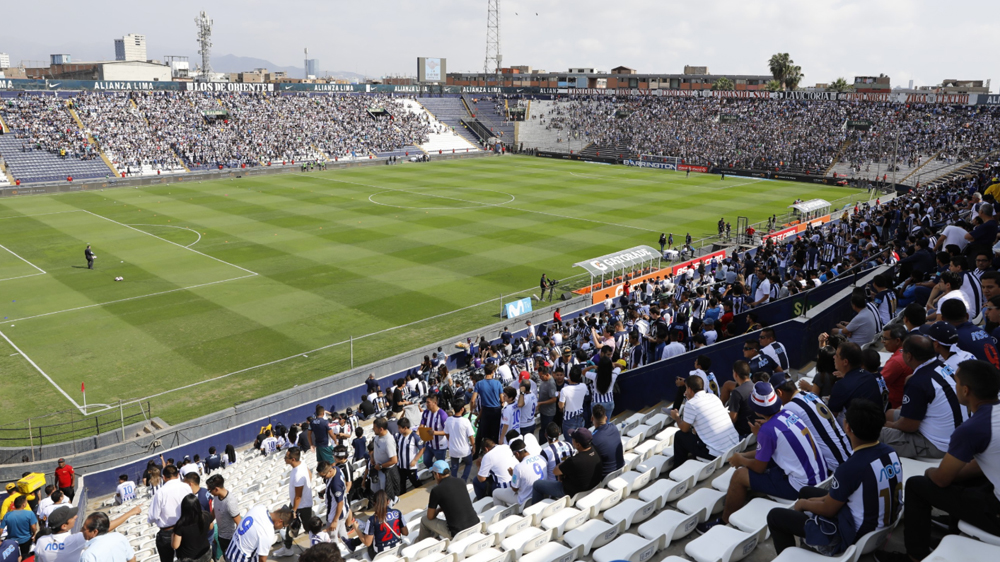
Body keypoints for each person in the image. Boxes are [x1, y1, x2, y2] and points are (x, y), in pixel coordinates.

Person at [876, 360, 1000, 562]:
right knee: (965, 476)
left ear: (966, 390)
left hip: (996, 514)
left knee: (917, 485)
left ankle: (915, 556)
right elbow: (981, 464)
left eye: (956, 381)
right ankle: (953, 526)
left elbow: (941, 479)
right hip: (993, 491)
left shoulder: (973, 429)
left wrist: (930, 472)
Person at [768, 400, 902, 556]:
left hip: (854, 537)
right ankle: (809, 546)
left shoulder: (850, 468)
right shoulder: (891, 453)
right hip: (881, 529)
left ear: (847, 427)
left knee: (775, 516)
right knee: (806, 492)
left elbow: (829, 510)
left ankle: (790, 557)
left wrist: (803, 504)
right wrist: (809, 501)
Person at [701, 382, 828, 533]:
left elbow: (759, 467)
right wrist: (746, 451)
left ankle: (724, 521)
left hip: (801, 488)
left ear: (755, 409)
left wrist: (741, 460)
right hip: (821, 480)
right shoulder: (788, 415)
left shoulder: (768, 431)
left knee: (739, 475)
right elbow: (770, 450)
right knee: (762, 463)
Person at [881, 335, 966, 459]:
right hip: (954, 434)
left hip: (938, 445)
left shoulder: (917, 382)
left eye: (902, 351)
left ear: (909, 356)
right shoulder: (943, 367)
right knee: (889, 413)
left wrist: (887, 425)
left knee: (871, 433)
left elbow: (909, 426)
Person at [773, 373, 852, 472]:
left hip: (833, 466)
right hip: (849, 453)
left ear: (779, 393)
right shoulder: (811, 395)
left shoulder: (789, 408)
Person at [669, 376, 740, 471]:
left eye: (686, 388)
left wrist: (676, 417)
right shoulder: (713, 397)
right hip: (735, 446)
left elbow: (684, 429)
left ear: (689, 389)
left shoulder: (691, 404)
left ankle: (677, 469)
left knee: (679, 436)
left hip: (718, 454)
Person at [531, 428, 603, 503]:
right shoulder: (596, 450)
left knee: (537, 485)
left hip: (572, 493)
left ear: (578, 444)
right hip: (592, 488)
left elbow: (555, 471)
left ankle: (534, 511)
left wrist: (565, 465)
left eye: (573, 439)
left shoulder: (574, 461)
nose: (571, 440)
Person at [418, 461, 479, 541]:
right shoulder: (461, 481)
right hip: (476, 525)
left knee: (424, 520)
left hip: (457, 532)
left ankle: (421, 544)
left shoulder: (436, 491)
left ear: (437, 474)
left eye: (434, 474)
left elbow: (430, 516)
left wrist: (438, 510)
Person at [273, 447, 313, 557]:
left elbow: (299, 496)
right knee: (288, 523)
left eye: (286, 457)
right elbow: (310, 474)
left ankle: (316, 548)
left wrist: (293, 510)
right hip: (298, 502)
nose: (285, 459)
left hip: (302, 505)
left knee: (309, 527)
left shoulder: (298, 474)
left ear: (293, 459)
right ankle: (287, 548)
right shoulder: (302, 464)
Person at [828, 342, 883, 418]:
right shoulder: (869, 376)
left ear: (845, 362)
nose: (834, 357)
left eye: (837, 355)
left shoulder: (841, 386)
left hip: (858, 428)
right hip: (877, 423)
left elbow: (831, 417)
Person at [148, 465, 191, 562]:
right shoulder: (186, 487)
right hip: (186, 528)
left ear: (163, 477)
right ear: (178, 475)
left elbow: (152, 516)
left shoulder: (160, 493)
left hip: (167, 533)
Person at [224, 505, 294, 562]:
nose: (281, 528)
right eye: (283, 526)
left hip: (231, 549)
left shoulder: (259, 508)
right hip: (240, 559)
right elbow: (262, 559)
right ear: (280, 521)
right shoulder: (268, 532)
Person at [493, 439, 546, 507]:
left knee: (495, 493)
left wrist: (513, 475)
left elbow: (514, 489)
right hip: (542, 495)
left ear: (517, 453)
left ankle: (503, 516)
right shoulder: (541, 458)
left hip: (525, 501)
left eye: (514, 455)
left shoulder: (518, 468)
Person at [471, 364, 503, 459]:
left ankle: (479, 454)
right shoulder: (497, 383)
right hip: (496, 411)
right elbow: (502, 400)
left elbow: (473, 400)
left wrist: (473, 410)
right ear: (493, 372)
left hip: (486, 411)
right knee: (495, 433)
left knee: (483, 434)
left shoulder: (479, 384)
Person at [205, 474, 241, 557]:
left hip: (230, 539)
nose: (209, 493)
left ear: (216, 489)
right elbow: (215, 511)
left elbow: (239, 523)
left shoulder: (230, 502)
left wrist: (235, 541)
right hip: (221, 536)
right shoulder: (217, 497)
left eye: (209, 490)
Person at [171, 494, 212, 562]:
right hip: (205, 553)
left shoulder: (181, 525)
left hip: (189, 558)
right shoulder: (206, 515)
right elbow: (211, 527)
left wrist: (173, 535)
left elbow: (175, 546)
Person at [880, 325, 912, 410]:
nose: (882, 342)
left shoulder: (896, 361)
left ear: (897, 340)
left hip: (894, 405)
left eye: (885, 339)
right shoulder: (909, 350)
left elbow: (879, 382)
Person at [590, 404, 625, 478]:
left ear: (592, 419)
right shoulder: (614, 427)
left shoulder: (593, 439)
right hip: (620, 468)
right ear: (606, 418)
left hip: (605, 475)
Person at [444, 400, 476, 480]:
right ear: (462, 409)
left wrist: (450, 441)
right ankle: (463, 480)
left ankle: (454, 482)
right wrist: (474, 447)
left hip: (453, 449)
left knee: (454, 467)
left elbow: (446, 434)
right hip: (465, 450)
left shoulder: (448, 420)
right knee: (468, 464)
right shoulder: (465, 421)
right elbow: (471, 437)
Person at [370, 417, 400, 501]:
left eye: (374, 427)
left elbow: (394, 460)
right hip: (377, 469)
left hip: (386, 472)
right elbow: (374, 449)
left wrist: (380, 466)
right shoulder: (377, 437)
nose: (373, 429)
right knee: (375, 491)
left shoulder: (388, 441)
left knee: (385, 494)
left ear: (381, 429)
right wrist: (372, 457)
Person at [559, 366, 589, 441]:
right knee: (580, 440)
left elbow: (561, 406)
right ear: (579, 376)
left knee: (570, 442)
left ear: (569, 375)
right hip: (580, 417)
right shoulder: (584, 386)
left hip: (569, 419)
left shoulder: (564, 390)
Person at [726, 360, 756, 438]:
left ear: (735, 374)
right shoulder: (756, 386)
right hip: (757, 430)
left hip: (743, 435)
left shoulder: (737, 392)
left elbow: (733, 419)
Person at [394, 417, 423, 494]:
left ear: (405, 428)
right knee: (402, 484)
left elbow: (422, 449)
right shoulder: (399, 436)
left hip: (411, 466)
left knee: (415, 482)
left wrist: (415, 460)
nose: (398, 429)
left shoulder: (414, 437)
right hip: (401, 466)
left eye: (400, 428)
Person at [418, 395, 449, 468]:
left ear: (435, 402)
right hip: (429, 444)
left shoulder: (442, 415)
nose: (426, 404)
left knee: (441, 465)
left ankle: (442, 476)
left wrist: (435, 433)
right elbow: (422, 424)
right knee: (426, 461)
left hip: (439, 446)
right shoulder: (426, 413)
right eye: (426, 402)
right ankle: (434, 472)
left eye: (428, 402)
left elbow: (447, 431)